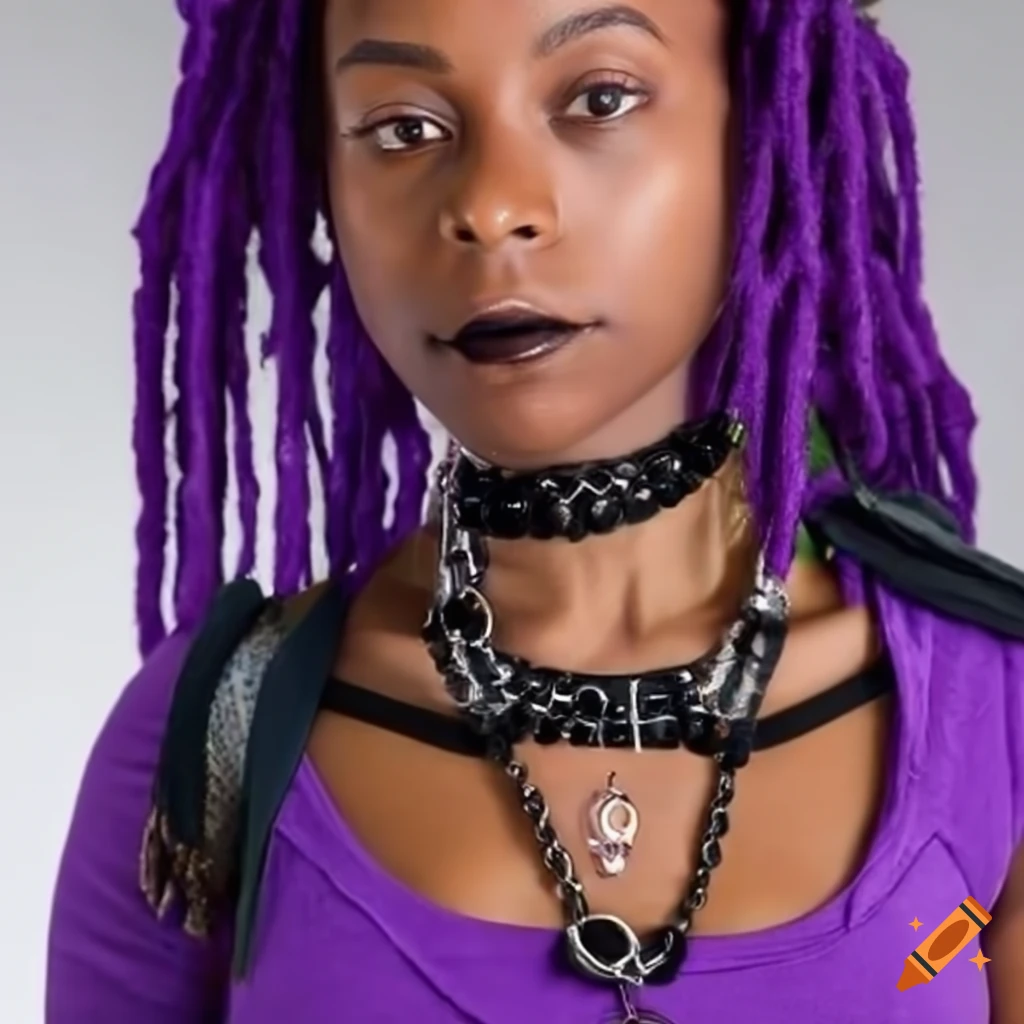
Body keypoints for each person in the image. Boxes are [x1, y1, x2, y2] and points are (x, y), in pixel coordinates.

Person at [45, 0, 1024, 1021]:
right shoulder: (208, 736)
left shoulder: (997, 712)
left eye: (599, 98)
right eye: (403, 128)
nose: (492, 205)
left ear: (770, 123)